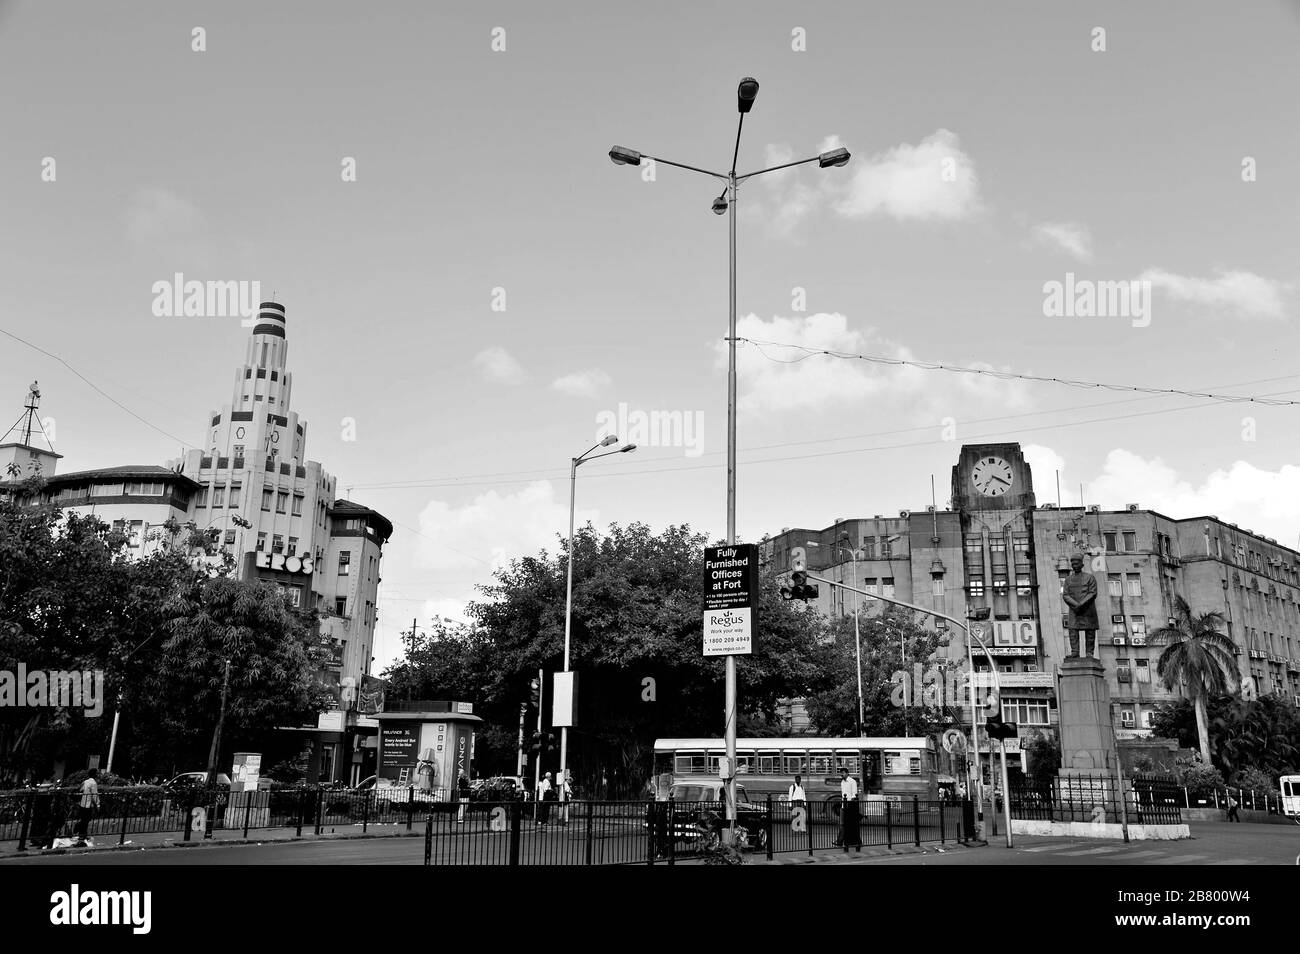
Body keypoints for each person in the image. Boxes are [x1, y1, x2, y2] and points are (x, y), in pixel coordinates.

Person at [1062, 554, 1100, 658]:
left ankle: (1089, 652)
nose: (1075, 565)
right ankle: (1075, 651)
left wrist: (1081, 604)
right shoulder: (1068, 580)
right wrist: (1075, 605)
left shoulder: (1089, 577)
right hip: (1074, 610)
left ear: (1082, 564)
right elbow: (1065, 595)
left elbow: (1093, 592)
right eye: (1073, 564)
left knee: (1090, 631)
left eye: (1077, 563)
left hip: (1088, 609)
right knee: (1072, 630)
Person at [838, 767, 860, 851]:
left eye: (842, 773)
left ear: (847, 773)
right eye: (841, 773)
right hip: (844, 806)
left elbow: (854, 795)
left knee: (850, 826)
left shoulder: (852, 781)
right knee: (842, 824)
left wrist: (852, 805)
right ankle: (841, 841)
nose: (841, 774)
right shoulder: (842, 782)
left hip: (850, 806)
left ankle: (854, 842)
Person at [75, 769, 100, 845]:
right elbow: (95, 795)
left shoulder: (85, 782)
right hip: (88, 805)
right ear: (95, 775)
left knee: (84, 819)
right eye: (97, 774)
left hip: (83, 803)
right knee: (86, 820)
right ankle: (82, 834)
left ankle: (82, 835)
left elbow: (80, 789)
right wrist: (98, 805)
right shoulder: (93, 783)